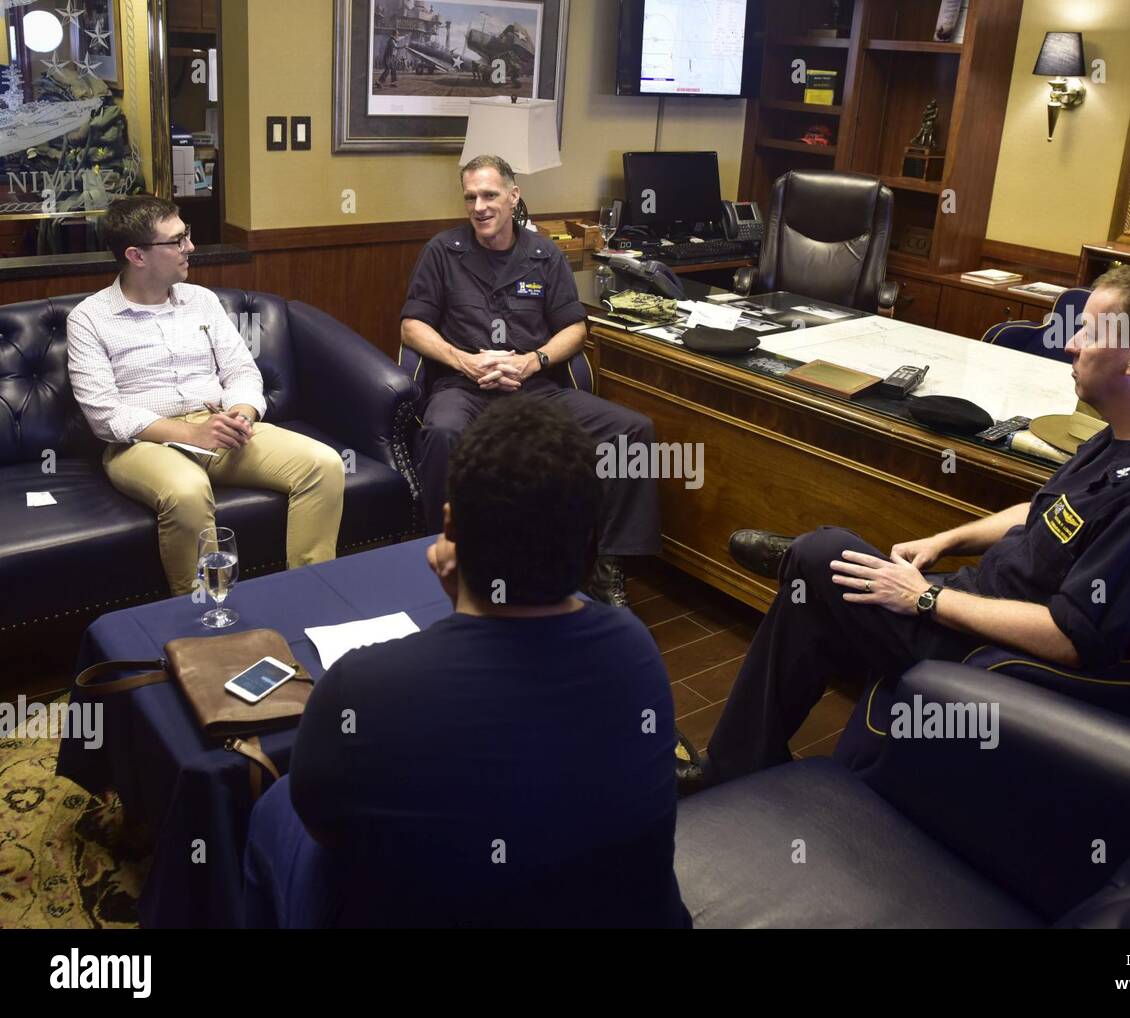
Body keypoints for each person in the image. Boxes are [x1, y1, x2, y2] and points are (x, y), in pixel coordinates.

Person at [683, 266, 1130, 788]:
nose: (1069, 344)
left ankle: (799, 559)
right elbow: (1042, 511)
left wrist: (924, 600)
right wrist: (946, 540)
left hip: (998, 659)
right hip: (971, 600)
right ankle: (737, 764)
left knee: (825, 552)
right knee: (813, 588)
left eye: (1087, 334)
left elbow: (1070, 639)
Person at [244, 398, 689, 928]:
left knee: (275, 809)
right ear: (592, 546)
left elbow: (324, 824)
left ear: (450, 528)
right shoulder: (635, 647)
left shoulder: (361, 686)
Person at [400, 154, 661, 606]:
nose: (479, 206)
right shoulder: (443, 251)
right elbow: (411, 326)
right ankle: (447, 557)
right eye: (471, 198)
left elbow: (576, 328)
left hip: (534, 389)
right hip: (465, 388)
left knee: (633, 432)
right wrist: (464, 361)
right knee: (441, 433)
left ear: (513, 196)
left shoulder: (544, 255)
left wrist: (532, 361)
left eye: (490, 195)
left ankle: (608, 567)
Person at [66, 196, 344, 597]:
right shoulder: (90, 319)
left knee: (324, 464)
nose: (190, 248)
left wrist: (242, 414)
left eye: (187, 235)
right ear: (136, 255)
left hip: (218, 425)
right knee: (187, 491)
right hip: (143, 443)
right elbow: (104, 413)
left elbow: (241, 371)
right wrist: (189, 435)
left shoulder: (202, 301)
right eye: (177, 240)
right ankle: (205, 611)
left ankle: (307, 595)